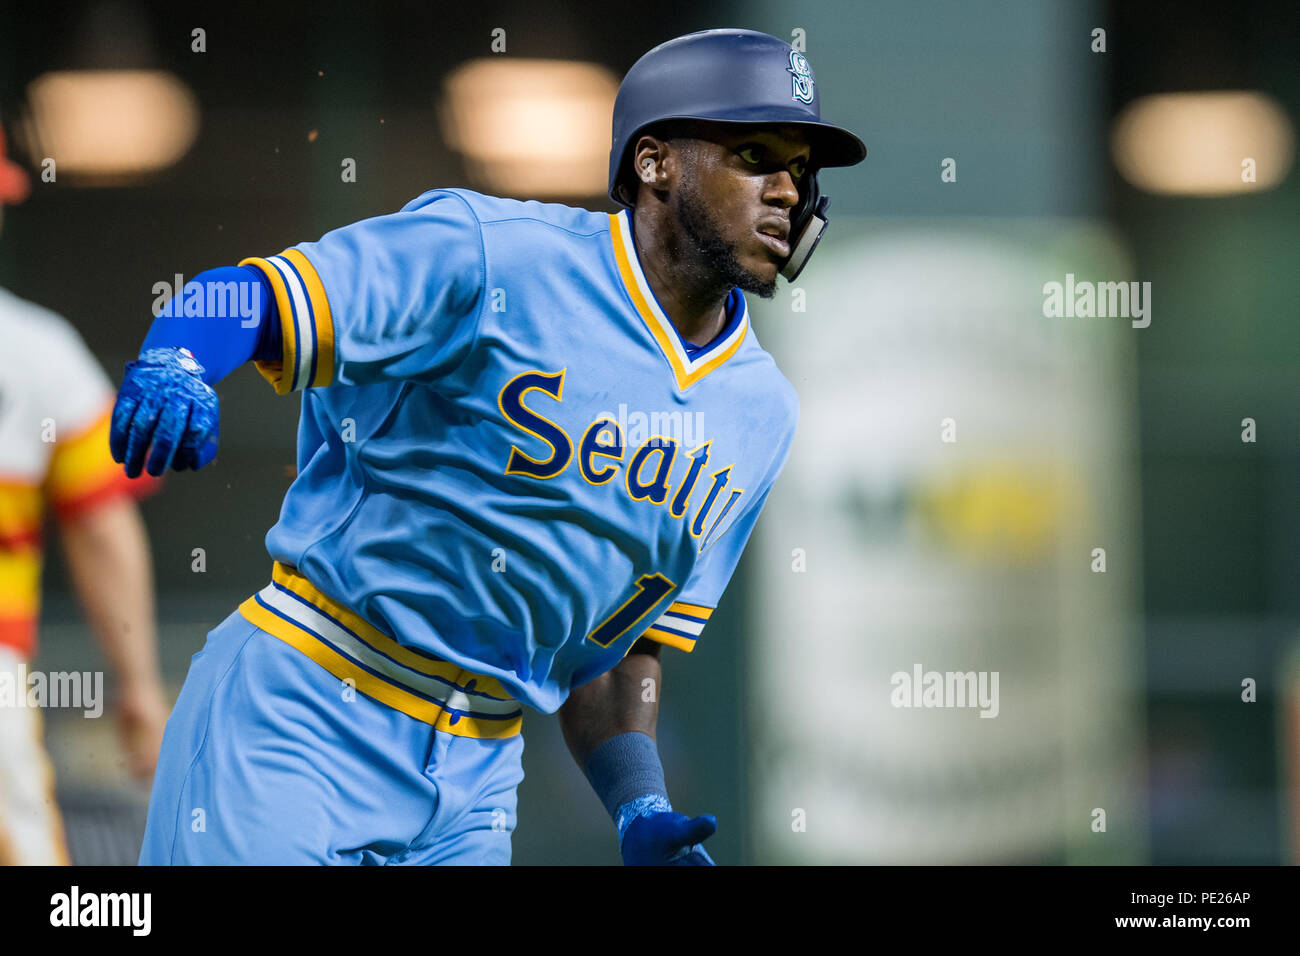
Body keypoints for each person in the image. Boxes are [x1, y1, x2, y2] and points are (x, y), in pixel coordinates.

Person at [112, 27, 865, 865]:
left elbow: (617, 650)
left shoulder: (761, 414)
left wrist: (638, 799)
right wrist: (181, 355)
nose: (788, 191)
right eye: (756, 155)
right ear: (654, 163)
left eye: (800, 169)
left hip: (477, 774)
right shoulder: (494, 253)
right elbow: (254, 296)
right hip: (309, 707)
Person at [0, 120, 168, 864]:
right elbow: (100, 527)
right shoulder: (31, 348)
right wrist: (139, 686)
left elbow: (101, 524)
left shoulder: (36, 349)